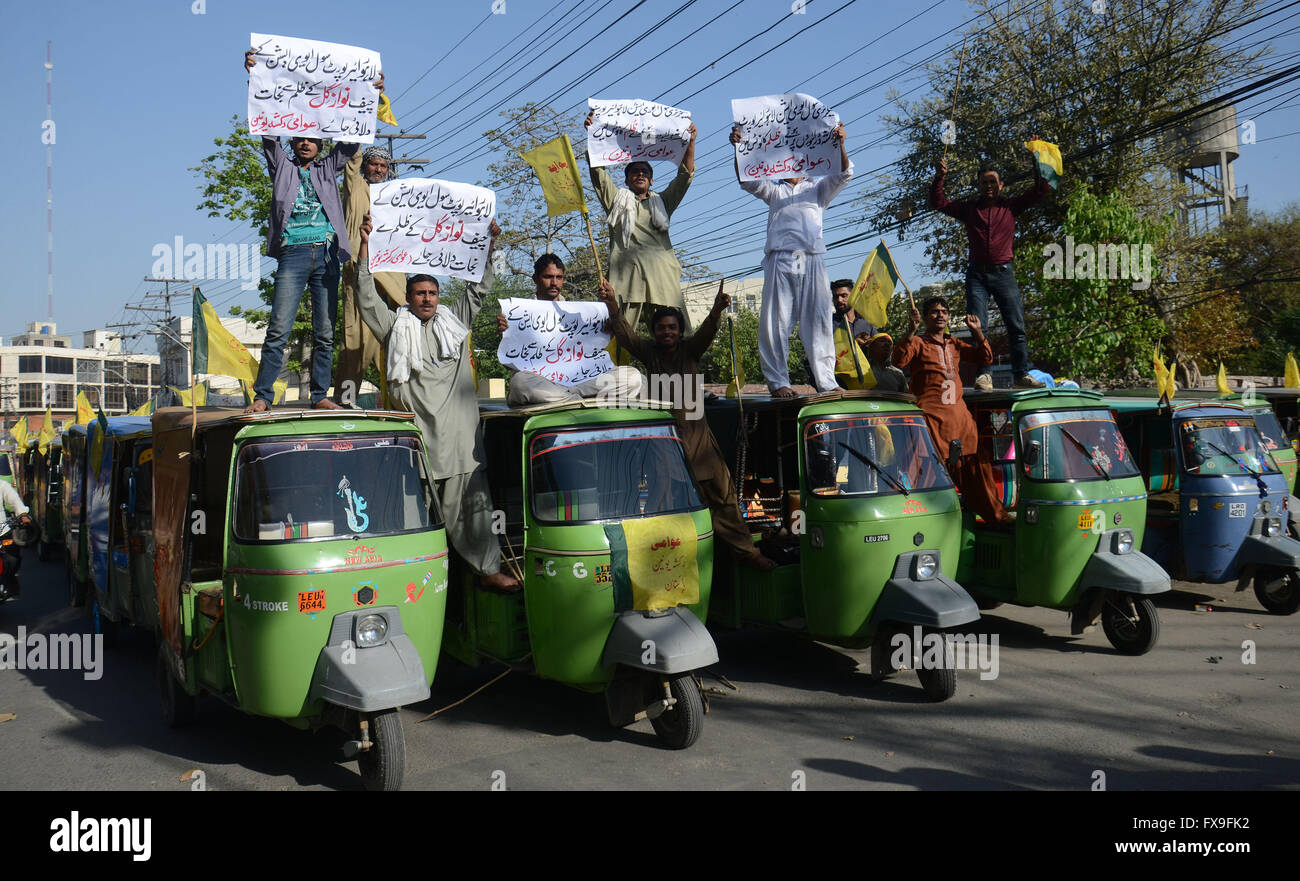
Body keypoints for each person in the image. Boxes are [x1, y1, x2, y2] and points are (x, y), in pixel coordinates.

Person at [354, 213, 520, 592]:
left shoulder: (454, 322)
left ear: (438, 297)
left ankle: (487, 570)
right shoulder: (394, 327)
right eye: (419, 294)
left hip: (460, 443)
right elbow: (365, 295)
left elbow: (478, 288)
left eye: (432, 293)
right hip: (416, 446)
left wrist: (491, 245)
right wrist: (365, 244)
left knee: (474, 513)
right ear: (408, 298)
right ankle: (412, 582)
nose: (427, 299)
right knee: (414, 519)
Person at [599, 282, 777, 571]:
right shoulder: (651, 354)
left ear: (680, 332)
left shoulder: (690, 351)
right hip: (665, 451)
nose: (667, 332)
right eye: (661, 328)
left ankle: (748, 554)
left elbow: (707, 332)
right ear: (655, 332)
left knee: (725, 503)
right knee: (667, 511)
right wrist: (612, 306)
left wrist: (717, 310)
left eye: (672, 327)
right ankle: (668, 566)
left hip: (700, 446)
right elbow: (627, 337)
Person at [243, 50, 376, 412]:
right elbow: (268, 134)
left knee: (325, 331)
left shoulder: (327, 168)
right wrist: (255, 77)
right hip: (294, 254)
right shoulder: (282, 167)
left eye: (312, 139)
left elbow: (350, 144)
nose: (305, 142)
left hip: (328, 253)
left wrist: (371, 97)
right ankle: (262, 396)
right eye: (299, 138)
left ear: (320, 145)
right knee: (278, 329)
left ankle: (320, 396)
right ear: (293, 143)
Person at [731, 122, 853, 397]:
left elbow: (844, 175)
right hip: (780, 259)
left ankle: (826, 381)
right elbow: (746, 180)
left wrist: (840, 143)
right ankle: (778, 382)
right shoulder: (775, 190)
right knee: (776, 322)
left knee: (819, 320)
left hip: (812, 259)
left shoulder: (818, 188)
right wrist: (739, 147)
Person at [930, 151, 1051, 390]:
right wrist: (939, 177)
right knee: (978, 326)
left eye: (992, 182)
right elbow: (939, 203)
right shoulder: (970, 209)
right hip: (976, 275)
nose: (988, 186)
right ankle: (984, 375)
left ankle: (1021, 374)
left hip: (1004, 273)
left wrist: (1037, 162)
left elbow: (1041, 191)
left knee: (1016, 325)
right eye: (984, 182)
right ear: (978, 185)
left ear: (1001, 184)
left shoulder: (1010, 206)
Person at [892, 296, 1008, 524]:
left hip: (960, 418)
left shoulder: (954, 344)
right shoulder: (918, 343)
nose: (940, 315)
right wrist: (910, 331)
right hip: (931, 420)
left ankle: (995, 517)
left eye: (944, 311)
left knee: (976, 469)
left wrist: (977, 332)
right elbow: (899, 360)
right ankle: (921, 522)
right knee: (927, 472)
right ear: (925, 318)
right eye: (934, 311)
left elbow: (985, 357)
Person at [584, 114, 698, 332]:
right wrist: (592, 133)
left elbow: (685, 177)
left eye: (645, 171)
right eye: (634, 171)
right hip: (627, 284)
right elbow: (598, 173)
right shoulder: (616, 200)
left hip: (663, 282)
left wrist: (691, 142)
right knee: (619, 340)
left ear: (652, 180)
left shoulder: (663, 202)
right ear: (626, 180)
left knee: (679, 338)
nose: (640, 174)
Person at [496, 253, 644, 407]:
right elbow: (512, 362)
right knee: (520, 383)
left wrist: (607, 330)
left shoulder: (581, 314)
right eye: (548, 277)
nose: (554, 283)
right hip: (545, 384)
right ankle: (583, 402)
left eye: (559, 277)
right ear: (535, 279)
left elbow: (597, 351)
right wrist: (507, 335)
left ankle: (568, 400)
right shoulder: (517, 314)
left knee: (632, 377)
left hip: (582, 382)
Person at [335, 143, 408, 405]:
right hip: (359, 271)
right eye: (373, 164)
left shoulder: (396, 196)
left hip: (392, 279)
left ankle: (405, 401)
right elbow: (352, 160)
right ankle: (345, 402)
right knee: (355, 343)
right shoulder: (356, 188)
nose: (378, 169)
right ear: (365, 166)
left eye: (383, 166)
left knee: (403, 337)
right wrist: (357, 121)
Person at [831, 278, 875, 389]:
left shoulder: (866, 323)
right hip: (840, 384)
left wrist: (871, 344)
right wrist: (853, 343)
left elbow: (880, 347)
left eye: (844, 295)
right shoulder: (828, 324)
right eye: (836, 297)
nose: (839, 300)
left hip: (867, 382)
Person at [0, 479, 33, 600]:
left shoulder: (2, 485)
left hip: (2, 531)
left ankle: (11, 581)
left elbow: (15, 501)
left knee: (12, 559)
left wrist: (23, 515)